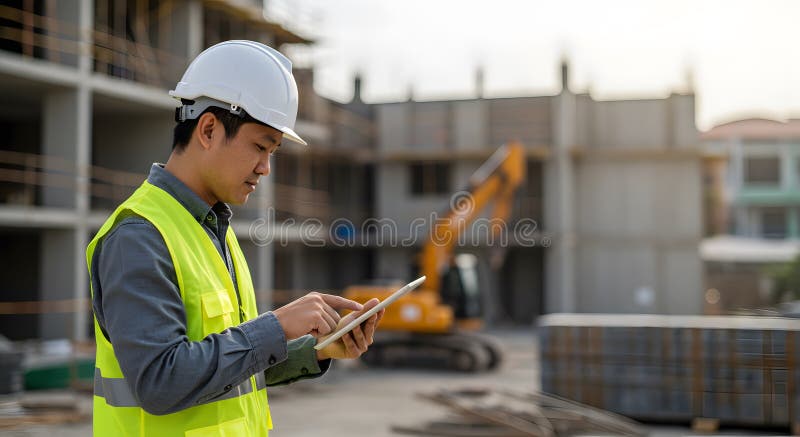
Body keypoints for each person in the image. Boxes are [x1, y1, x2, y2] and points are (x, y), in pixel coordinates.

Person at [86, 40, 384, 436]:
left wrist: (319, 348)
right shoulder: (139, 236)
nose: (265, 168)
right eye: (260, 147)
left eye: (273, 152)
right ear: (208, 129)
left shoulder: (213, 232)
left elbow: (228, 368)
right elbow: (161, 382)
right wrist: (275, 326)